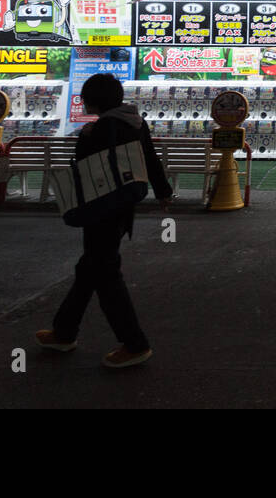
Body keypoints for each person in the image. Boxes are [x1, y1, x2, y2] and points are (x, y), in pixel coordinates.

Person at [36, 73, 174, 369]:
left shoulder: (102, 128)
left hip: (102, 208)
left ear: (94, 99)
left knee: (105, 274)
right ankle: (63, 331)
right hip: (121, 207)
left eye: (85, 97)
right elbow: (149, 157)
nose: (83, 101)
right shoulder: (135, 122)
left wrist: (84, 138)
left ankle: (135, 344)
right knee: (89, 269)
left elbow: (88, 168)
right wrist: (163, 190)